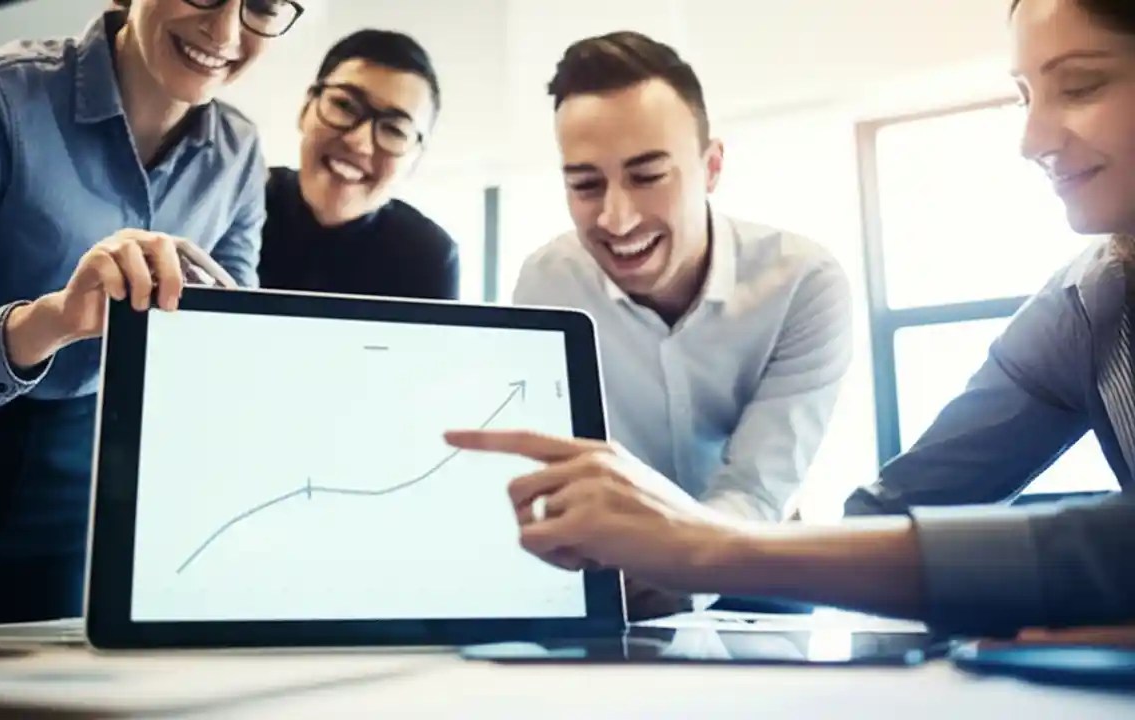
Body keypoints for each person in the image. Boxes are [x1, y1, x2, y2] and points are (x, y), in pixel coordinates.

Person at [447, 0, 1135, 637]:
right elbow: (894, 507)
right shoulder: (1081, 306)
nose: (1029, 138)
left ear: (710, 166)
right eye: (1023, 95)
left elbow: (1108, 548)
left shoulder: (803, 280)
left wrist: (701, 551)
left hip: (748, 566)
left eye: (1080, 86)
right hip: (654, 574)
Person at [0, 0, 300, 628]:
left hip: (83, 510)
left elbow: (218, 364)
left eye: (261, 6)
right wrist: (58, 316)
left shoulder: (240, 155)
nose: (226, 31)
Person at [512, 32, 853, 523]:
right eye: (585, 185)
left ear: (710, 167)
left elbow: (757, 489)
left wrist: (678, 567)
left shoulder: (804, 286)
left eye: (647, 176)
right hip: (611, 554)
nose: (617, 219)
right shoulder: (546, 285)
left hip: (756, 553)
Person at [258, 29, 460, 300]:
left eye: (394, 130)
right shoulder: (236, 201)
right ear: (306, 108)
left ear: (416, 159)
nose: (359, 143)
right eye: (345, 105)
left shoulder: (429, 255)